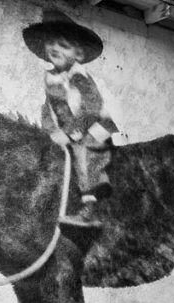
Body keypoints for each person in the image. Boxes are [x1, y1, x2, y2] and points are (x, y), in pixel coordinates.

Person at [23, 9, 119, 230]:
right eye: (51, 42)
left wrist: (69, 134)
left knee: (83, 151)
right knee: (47, 153)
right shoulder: (50, 77)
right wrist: (48, 132)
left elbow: (91, 108)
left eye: (64, 45)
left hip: (95, 125)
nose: (55, 48)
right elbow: (49, 108)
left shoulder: (79, 75)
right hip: (68, 129)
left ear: (79, 54)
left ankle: (91, 209)